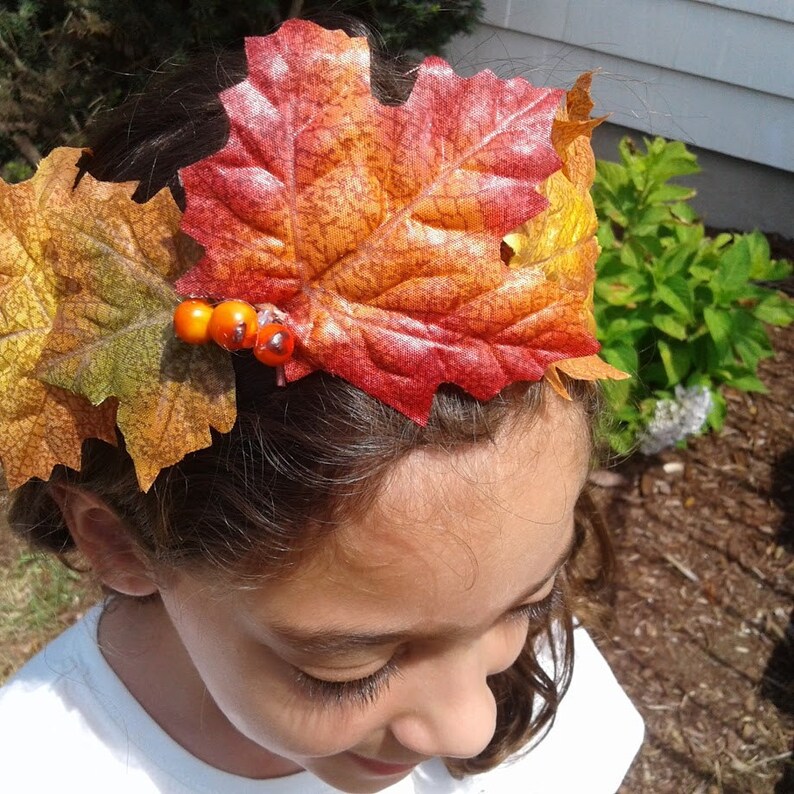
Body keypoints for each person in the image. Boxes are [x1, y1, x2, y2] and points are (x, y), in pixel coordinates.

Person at [0, 18, 643, 794]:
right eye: (348, 673)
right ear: (119, 543)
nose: (470, 722)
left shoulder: (546, 703)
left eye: (530, 601)